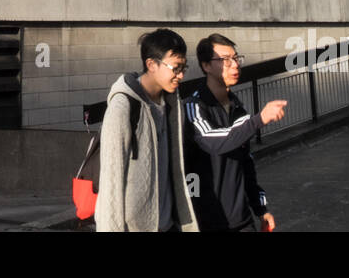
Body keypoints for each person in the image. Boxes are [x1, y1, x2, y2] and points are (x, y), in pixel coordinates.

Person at [95, 28, 199, 232]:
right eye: (176, 68)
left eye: (184, 68)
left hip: (169, 224)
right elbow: (110, 182)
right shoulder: (123, 107)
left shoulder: (172, 104)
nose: (181, 76)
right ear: (151, 64)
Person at [182, 33, 286, 231]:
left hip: (242, 220)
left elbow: (246, 164)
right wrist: (259, 120)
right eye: (224, 60)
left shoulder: (238, 109)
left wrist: (261, 209)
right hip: (207, 223)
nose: (235, 65)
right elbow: (212, 141)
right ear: (206, 66)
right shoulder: (193, 107)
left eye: (236, 58)